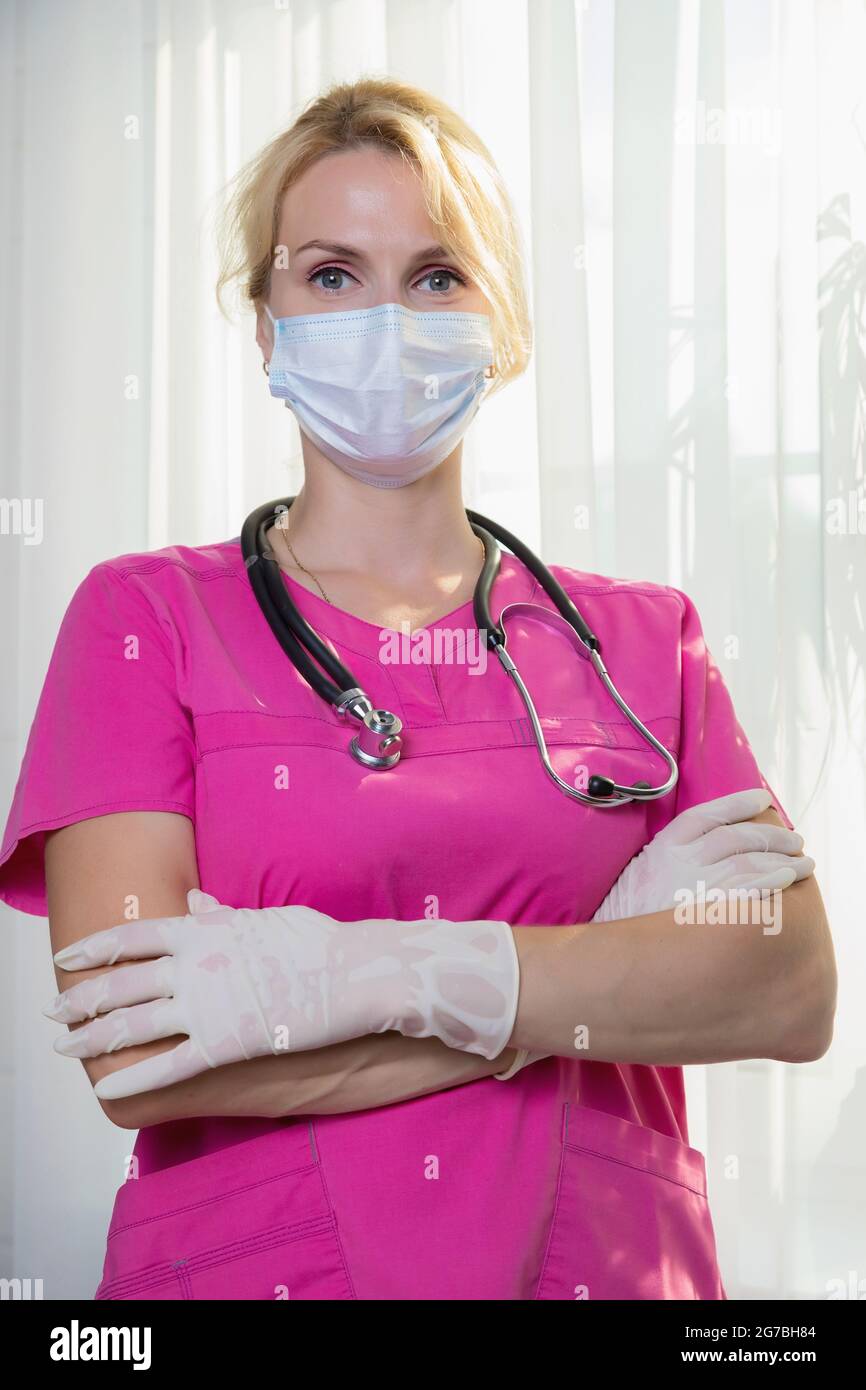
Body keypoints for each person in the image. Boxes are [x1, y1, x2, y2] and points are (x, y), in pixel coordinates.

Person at [0, 77, 835, 1301]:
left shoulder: (639, 640)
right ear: (265, 326)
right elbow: (139, 1044)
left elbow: (787, 987)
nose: (385, 320)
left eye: (437, 276)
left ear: (501, 327)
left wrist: (358, 978)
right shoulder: (145, 620)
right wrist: (582, 977)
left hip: (600, 1267)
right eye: (332, 275)